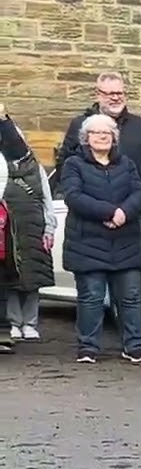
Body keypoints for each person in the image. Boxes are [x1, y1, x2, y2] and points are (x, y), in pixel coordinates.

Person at [60, 114, 141, 364]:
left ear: (114, 138)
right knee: (91, 298)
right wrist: (110, 212)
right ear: (86, 138)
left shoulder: (127, 164)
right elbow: (74, 196)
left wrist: (124, 212)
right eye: (96, 133)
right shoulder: (74, 165)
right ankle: (88, 347)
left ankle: (134, 346)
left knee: (131, 298)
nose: (102, 137)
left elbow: (139, 192)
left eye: (107, 133)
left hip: (126, 242)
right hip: (87, 244)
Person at [0, 108, 56, 343]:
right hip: (10, 229)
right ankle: (14, 322)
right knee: (12, 279)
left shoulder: (36, 168)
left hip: (34, 227)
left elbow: (47, 198)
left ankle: (30, 322)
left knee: (34, 278)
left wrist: (49, 228)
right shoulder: (2, 167)